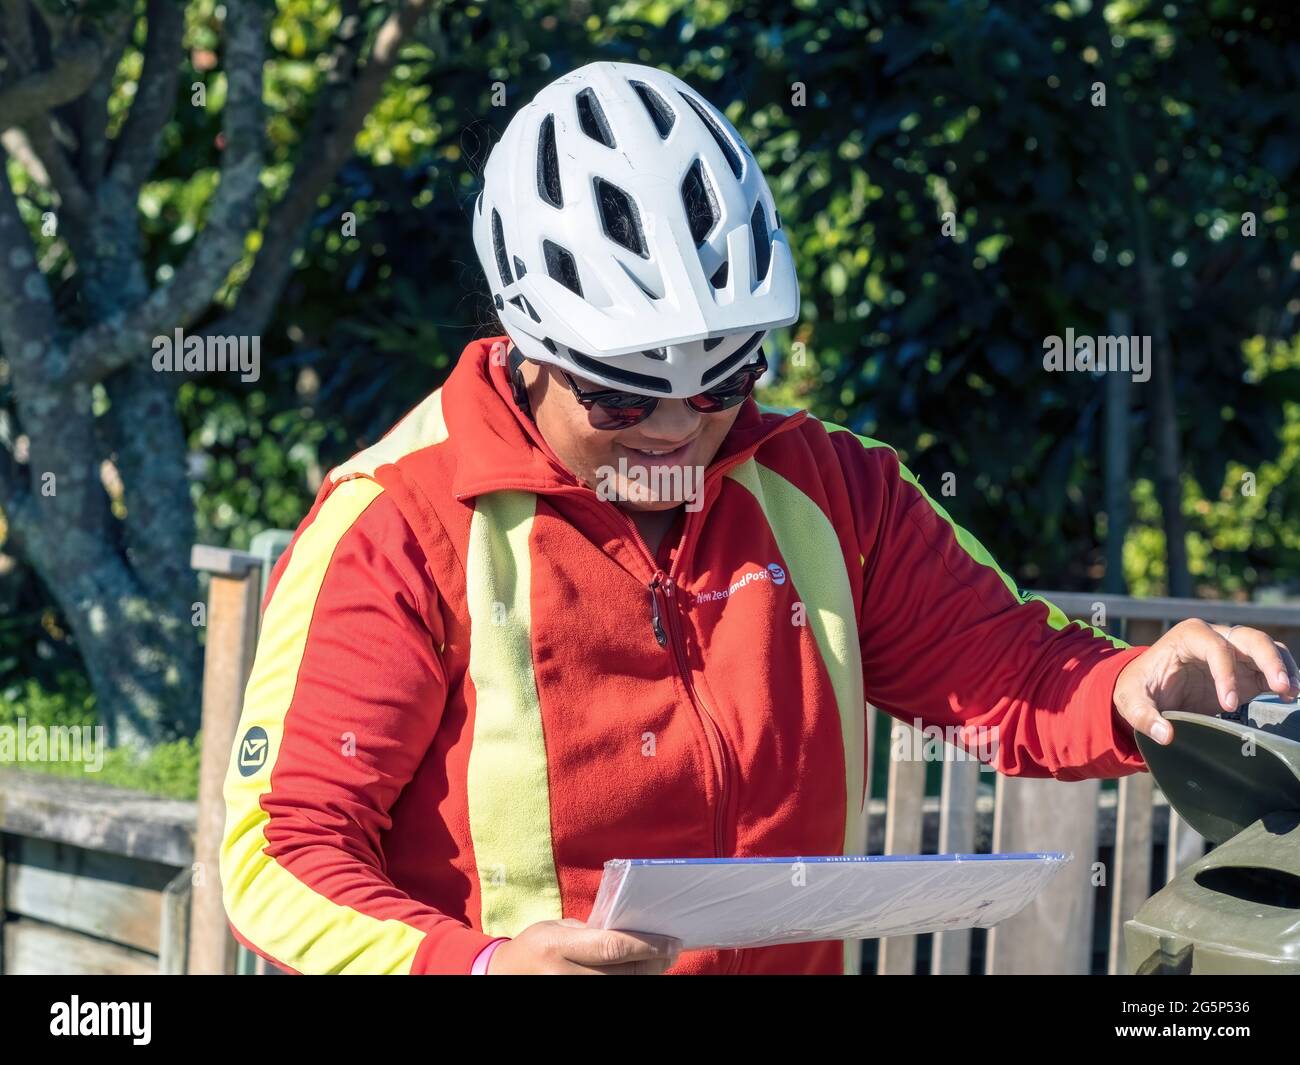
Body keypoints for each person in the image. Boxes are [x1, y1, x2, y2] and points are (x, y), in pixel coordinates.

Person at [220, 61, 1298, 975]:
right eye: (621, 396)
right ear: (529, 342)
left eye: (725, 379)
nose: (678, 434)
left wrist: (1131, 687)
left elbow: (1008, 680)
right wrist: (480, 966)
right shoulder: (395, 521)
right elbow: (278, 856)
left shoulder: (834, 487)